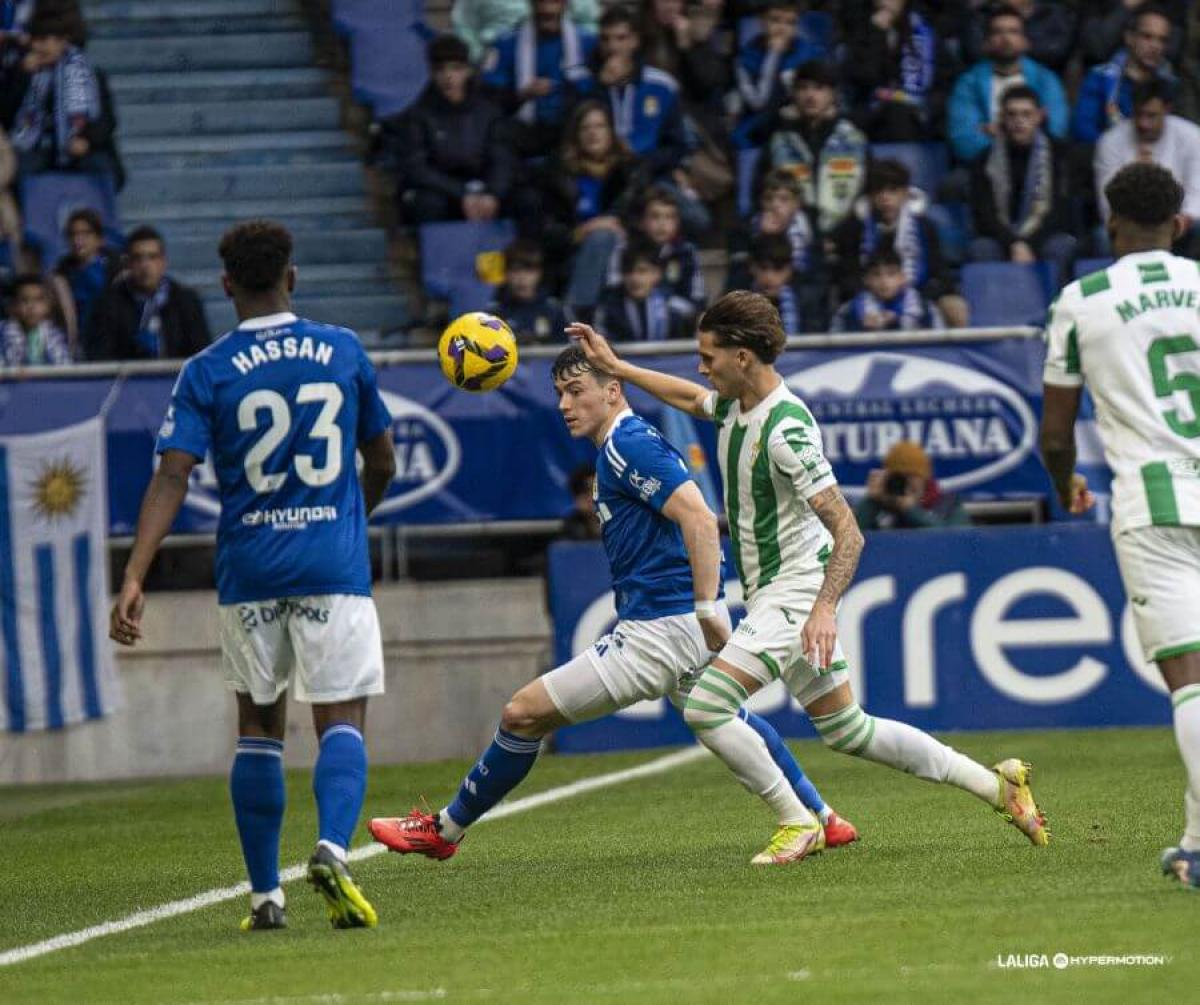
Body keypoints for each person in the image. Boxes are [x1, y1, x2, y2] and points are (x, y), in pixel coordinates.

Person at [568, 293, 1048, 861]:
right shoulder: (736, 406)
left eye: (708, 355)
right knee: (848, 730)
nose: (701, 367)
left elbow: (849, 530)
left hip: (794, 594)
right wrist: (618, 368)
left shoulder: (786, 429)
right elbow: (691, 397)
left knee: (706, 705)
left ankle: (797, 822)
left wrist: (821, 608)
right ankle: (998, 786)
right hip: (777, 592)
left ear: (742, 357)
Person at [369, 342, 857, 865]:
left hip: (657, 632)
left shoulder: (630, 446)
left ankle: (443, 830)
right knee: (729, 716)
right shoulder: (619, 447)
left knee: (522, 715)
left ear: (612, 391)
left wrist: (706, 605)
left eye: (576, 391)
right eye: (559, 393)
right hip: (668, 625)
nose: (564, 404)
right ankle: (823, 816)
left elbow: (697, 516)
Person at [109, 220, 399, 930]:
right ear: (292, 277)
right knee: (341, 718)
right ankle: (332, 846)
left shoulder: (206, 369)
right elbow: (383, 460)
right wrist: (347, 519)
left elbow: (172, 475)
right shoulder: (343, 349)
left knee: (258, 727)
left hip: (250, 567)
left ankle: (265, 897)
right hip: (332, 563)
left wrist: (135, 573)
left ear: (228, 284)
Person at [1040, 162, 1200, 889]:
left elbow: (1054, 431)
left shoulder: (1082, 300)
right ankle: (1194, 843)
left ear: (1110, 227)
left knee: (1191, 684)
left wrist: (1065, 478)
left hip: (1154, 506)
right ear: (1181, 224)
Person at [581, 6, 706, 235]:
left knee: (697, 219)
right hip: (598, 176)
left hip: (649, 176)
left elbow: (677, 146)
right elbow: (575, 132)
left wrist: (646, 162)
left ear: (635, 41)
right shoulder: (586, 85)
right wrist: (601, 87)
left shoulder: (661, 85)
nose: (613, 47)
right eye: (606, 39)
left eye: (621, 38)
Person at [388, 34, 516, 225]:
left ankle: (504, 255)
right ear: (432, 73)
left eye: (456, 69)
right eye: (440, 70)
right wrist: (462, 193)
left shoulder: (488, 111)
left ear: (468, 71)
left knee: (524, 199)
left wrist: (492, 194)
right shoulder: (418, 115)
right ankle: (438, 254)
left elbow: (501, 159)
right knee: (428, 204)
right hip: (442, 191)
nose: (448, 77)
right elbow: (417, 168)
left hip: (483, 188)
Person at [540, 99, 648, 317]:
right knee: (600, 236)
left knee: (604, 237)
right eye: (585, 128)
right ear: (575, 135)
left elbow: (638, 217)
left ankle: (576, 314)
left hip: (625, 249)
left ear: (611, 132)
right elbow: (547, 230)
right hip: (571, 254)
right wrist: (582, 231)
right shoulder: (558, 173)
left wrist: (605, 228)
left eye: (600, 126)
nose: (593, 133)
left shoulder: (631, 170)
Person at [829, 158, 966, 328]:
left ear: (906, 193)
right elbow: (847, 276)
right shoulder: (854, 228)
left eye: (893, 190)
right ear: (870, 196)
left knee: (955, 308)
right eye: (879, 191)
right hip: (867, 295)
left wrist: (913, 297)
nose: (886, 197)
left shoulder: (925, 226)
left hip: (919, 293)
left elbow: (941, 273)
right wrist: (878, 292)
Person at [968, 85, 1077, 285]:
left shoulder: (1060, 155)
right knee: (981, 248)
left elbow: (1061, 211)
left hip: (1044, 235)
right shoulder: (984, 161)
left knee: (1061, 246)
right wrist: (1014, 243)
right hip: (1002, 237)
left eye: (1026, 114)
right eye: (1012, 115)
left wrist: (1028, 243)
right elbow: (984, 215)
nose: (1019, 121)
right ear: (1002, 118)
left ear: (1039, 116)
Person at [749, 60, 869, 239]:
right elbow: (760, 191)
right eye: (803, 88)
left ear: (832, 94)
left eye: (819, 88)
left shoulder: (854, 140)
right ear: (794, 94)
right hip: (792, 237)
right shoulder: (779, 141)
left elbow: (866, 192)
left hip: (847, 238)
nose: (810, 96)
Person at [4, 8, 119, 180]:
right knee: (19, 167)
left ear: (62, 42)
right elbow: (6, 114)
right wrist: (22, 76)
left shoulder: (88, 74)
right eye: (35, 40)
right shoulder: (21, 72)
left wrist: (87, 140)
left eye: (44, 41)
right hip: (35, 145)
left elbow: (106, 120)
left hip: (80, 145)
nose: (38, 47)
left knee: (98, 166)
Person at [946, 4, 1068, 163]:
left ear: (1026, 41)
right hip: (983, 166)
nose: (1006, 38)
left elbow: (1056, 132)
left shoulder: (1046, 80)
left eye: (1013, 31)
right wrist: (1019, 139)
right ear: (987, 42)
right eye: (998, 32)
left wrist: (995, 131)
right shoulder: (968, 83)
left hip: (1037, 165)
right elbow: (963, 141)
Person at [1094, 78, 1200, 256]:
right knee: (1102, 237)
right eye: (1139, 114)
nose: (1144, 124)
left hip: (1182, 221)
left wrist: (1181, 221)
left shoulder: (1191, 136)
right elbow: (1107, 204)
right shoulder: (1110, 142)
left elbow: (1197, 191)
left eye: (1151, 116)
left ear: (1167, 110)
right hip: (1130, 222)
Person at [481, 0, 595, 159]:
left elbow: (596, 98)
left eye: (554, 3)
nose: (547, 10)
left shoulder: (588, 44)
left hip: (571, 136)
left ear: (565, 4)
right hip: (521, 134)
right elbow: (489, 101)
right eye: (542, 4)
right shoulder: (505, 43)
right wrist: (522, 95)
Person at [89, 225, 210, 361]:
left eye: (152, 257)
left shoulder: (186, 301)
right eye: (138, 258)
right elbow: (101, 358)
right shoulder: (108, 305)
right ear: (128, 264)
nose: (145, 265)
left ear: (163, 262)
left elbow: (201, 355)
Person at [843, 0, 952, 142]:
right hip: (871, 113)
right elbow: (864, 76)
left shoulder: (924, 31)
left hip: (918, 114)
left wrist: (929, 106)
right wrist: (876, 33)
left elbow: (945, 80)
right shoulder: (861, 32)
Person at [1072, 5, 1176, 145]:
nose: (1155, 46)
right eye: (1147, 37)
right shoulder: (1099, 78)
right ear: (1129, 38)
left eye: (1162, 40)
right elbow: (1083, 129)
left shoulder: (1172, 85)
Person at [606, 185, 705, 322]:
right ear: (641, 221)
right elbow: (613, 287)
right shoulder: (624, 248)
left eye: (669, 217)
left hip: (674, 321)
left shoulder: (686, 252)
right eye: (655, 216)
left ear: (678, 222)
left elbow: (696, 297)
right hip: (628, 319)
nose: (662, 224)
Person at [731, 0, 823, 136]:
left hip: (802, 125)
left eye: (790, 22)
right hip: (759, 129)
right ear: (761, 21)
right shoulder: (745, 59)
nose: (782, 29)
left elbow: (821, 96)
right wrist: (773, 56)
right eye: (775, 20)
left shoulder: (810, 53)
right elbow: (759, 103)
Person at [853, 440, 968, 530]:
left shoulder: (948, 506)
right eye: (899, 477)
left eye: (911, 476)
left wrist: (910, 510)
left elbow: (955, 541)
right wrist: (871, 501)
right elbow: (848, 540)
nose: (906, 482)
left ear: (925, 478)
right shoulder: (881, 510)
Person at [594, 237, 691, 341]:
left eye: (642, 271)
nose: (634, 278)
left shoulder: (676, 309)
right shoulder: (608, 310)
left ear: (657, 274)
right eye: (628, 271)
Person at [831, 248, 943, 333]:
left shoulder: (926, 308)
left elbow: (941, 345)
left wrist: (896, 321)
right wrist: (861, 327)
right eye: (876, 275)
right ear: (866, 280)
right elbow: (832, 349)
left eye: (891, 274)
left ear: (902, 278)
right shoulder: (848, 311)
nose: (884, 281)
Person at [453, 0, 598, 63]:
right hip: (493, 64)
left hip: (562, 60)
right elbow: (463, 25)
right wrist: (477, 58)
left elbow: (592, 23)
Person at [53, 207, 119, 345]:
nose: (78, 240)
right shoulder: (62, 273)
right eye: (73, 234)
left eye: (85, 233)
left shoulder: (116, 267)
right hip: (79, 340)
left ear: (99, 238)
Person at [488, 239, 567, 343]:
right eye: (515, 271)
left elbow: (565, 351)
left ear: (539, 273)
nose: (522, 278)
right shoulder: (494, 314)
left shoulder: (555, 311)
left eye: (529, 271)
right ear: (506, 274)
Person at [1, 272, 71, 366]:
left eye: (38, 300)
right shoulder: (3, 332)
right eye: (24, 300)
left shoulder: (53, 334)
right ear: (13, 306)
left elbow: (63, 366)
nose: (31, 306)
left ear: (48, 306)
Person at [743, 232, 803, 335]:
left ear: (790, 269)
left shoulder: (807, 304)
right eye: (763, 268)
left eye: (778, 268)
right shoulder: (736, 305)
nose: (769, 277)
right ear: (751, 267)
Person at [560, 462, 601, 539]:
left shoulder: (619, 522)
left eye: (595, 490)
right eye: (585, 491)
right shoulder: (572, 526)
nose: (591, 497)